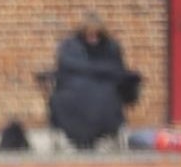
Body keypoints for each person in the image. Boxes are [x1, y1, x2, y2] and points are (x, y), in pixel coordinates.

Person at [46, 12, 142, 150]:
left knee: (107, 99)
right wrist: (97, 70)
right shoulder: (70, 47)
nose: (93, 38)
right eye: (89, 34)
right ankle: (80, 135)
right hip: (73, 92)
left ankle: (99, 133)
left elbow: (116, 69)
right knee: (64, 99)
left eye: (96, 34)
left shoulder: (110, 47)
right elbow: (66, 66)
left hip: (104, 93)